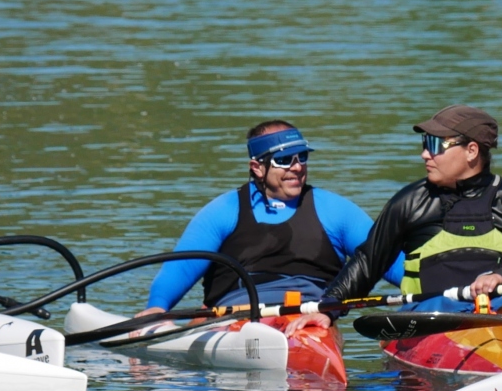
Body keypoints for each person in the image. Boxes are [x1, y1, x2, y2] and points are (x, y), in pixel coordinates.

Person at [136, 121, 395, 317]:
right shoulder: (224, 210)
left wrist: (430, 290)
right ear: (257, 168)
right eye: (283, 160)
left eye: (301, 157)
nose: (296, 167)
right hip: (234, 318)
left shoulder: (336, 210)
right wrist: (157, 309)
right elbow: (181, 268)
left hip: (308, 319)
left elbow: (388, 259)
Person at [321, 105, 502, 304]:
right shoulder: (409, 202)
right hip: (426, 324)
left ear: (471, 151)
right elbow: (367, 264)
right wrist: (328, 310)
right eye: (425, 143)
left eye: (435, 144)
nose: (425, 154)